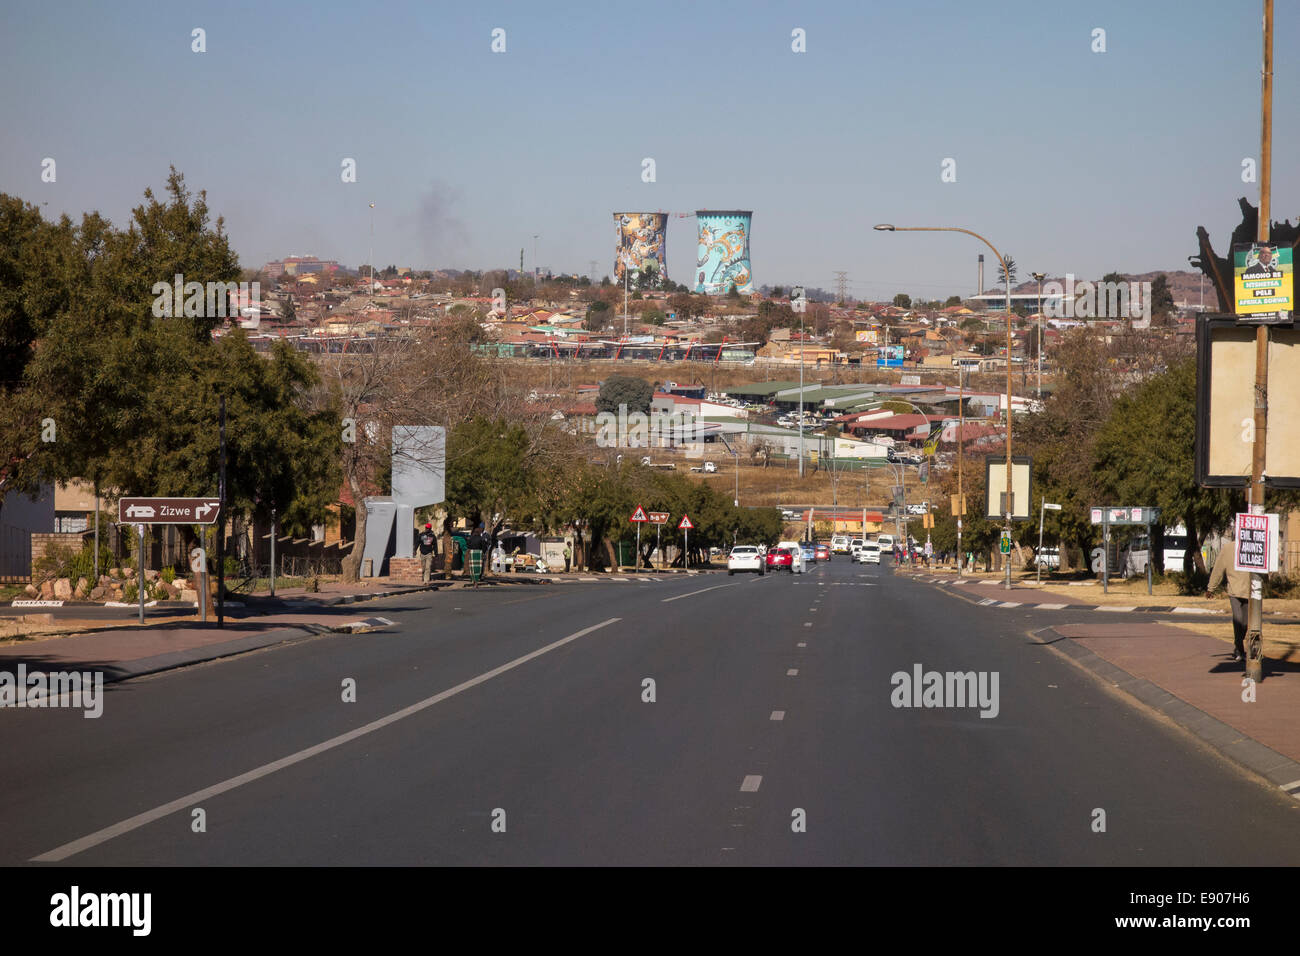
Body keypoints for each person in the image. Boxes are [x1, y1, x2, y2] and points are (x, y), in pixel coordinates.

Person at [1205, 528, 1250, 666]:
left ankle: (1239, 645)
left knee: (1246, 623)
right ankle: (1240, 649)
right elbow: (1218, 568)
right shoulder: (1228, 548)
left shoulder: (1252, 548)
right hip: (1234, 591)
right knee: (1238, 620)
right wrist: (1211, 588)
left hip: (1250, 592)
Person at [466, 524, 487, 588]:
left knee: (472, 568)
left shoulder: (470, 538)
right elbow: (484, 547)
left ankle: (473, 581)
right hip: (479, 553)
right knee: (478, 568)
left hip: (472, 553)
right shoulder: (481, 539)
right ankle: (476, 582)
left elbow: (468, 545)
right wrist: (483, 552)